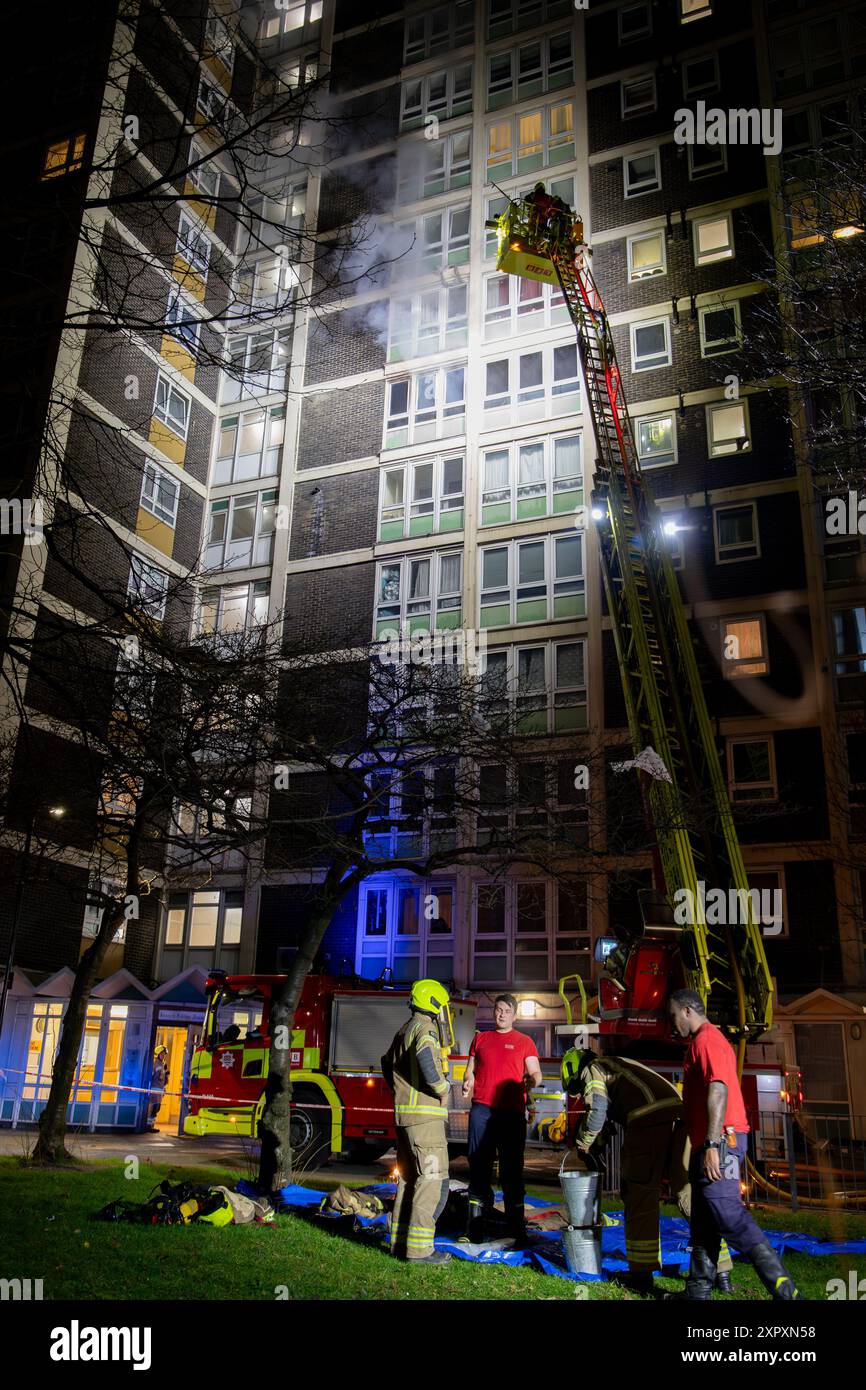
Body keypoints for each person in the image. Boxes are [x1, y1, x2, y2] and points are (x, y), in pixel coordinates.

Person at [667, 989, 802, 1301]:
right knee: (703, 1222)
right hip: (711, 1143)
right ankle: (697, 1292)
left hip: (720, 1142)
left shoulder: (707, 1041)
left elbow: (718, 1090)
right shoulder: (703, 1042)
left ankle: (787, 1294)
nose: (670, 1023)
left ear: (688, 1011)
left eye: (672, 1015)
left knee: (728, 1214)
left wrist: (713, 1144)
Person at [561, 1044, 685, 1295]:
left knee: (639, 1193)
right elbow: (609, 1112)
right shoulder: (616, 1064)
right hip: (680, 1117)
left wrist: (583, 1144)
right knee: (689, 1192)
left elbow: (597, 1111)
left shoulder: (593, 1069)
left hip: (648, 1118)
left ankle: (641, 1274)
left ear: (574, 1070)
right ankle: (717, 1269)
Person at [460, 993, 543, 1245]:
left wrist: (532, 1080)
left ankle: (516, 1230)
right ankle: (474, 1229)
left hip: (511, 1114)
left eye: (507, 1010)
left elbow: (536, 1072)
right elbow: (470, 1069)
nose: (501, 1014)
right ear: (493, 1012)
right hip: (482, 1111)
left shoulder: (525, 1042)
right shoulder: (480, 1039)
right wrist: (468, 1081)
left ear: (514, 1015)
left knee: (512, 1172)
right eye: (498, 1009)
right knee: (479, 1168)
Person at [381, 978, 452, 1265]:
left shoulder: (405, 1029)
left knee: (409, 1180)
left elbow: (386, 1063)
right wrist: (443, 1088)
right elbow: (425, 1057)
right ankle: (420, 1251)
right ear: (435, 1003)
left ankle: (400, 1243)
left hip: (405, 1119)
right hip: (425, 1120)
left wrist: (401, 1091)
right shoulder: (426, 1028)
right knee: (432, 1179)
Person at [147, 1045, 169, 1131]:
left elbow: (164, 1079)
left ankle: (152, 1125)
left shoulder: (163, 1064)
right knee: (152, 1109)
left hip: (159, 1090)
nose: (163, 1055)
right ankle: (148, 1126)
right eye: (162, 1054)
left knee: (157, 1108)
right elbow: (150, 1076)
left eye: (164, 1054)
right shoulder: (155, 1064)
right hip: (154, 1090)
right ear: (158, 1054)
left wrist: (166, 1074)